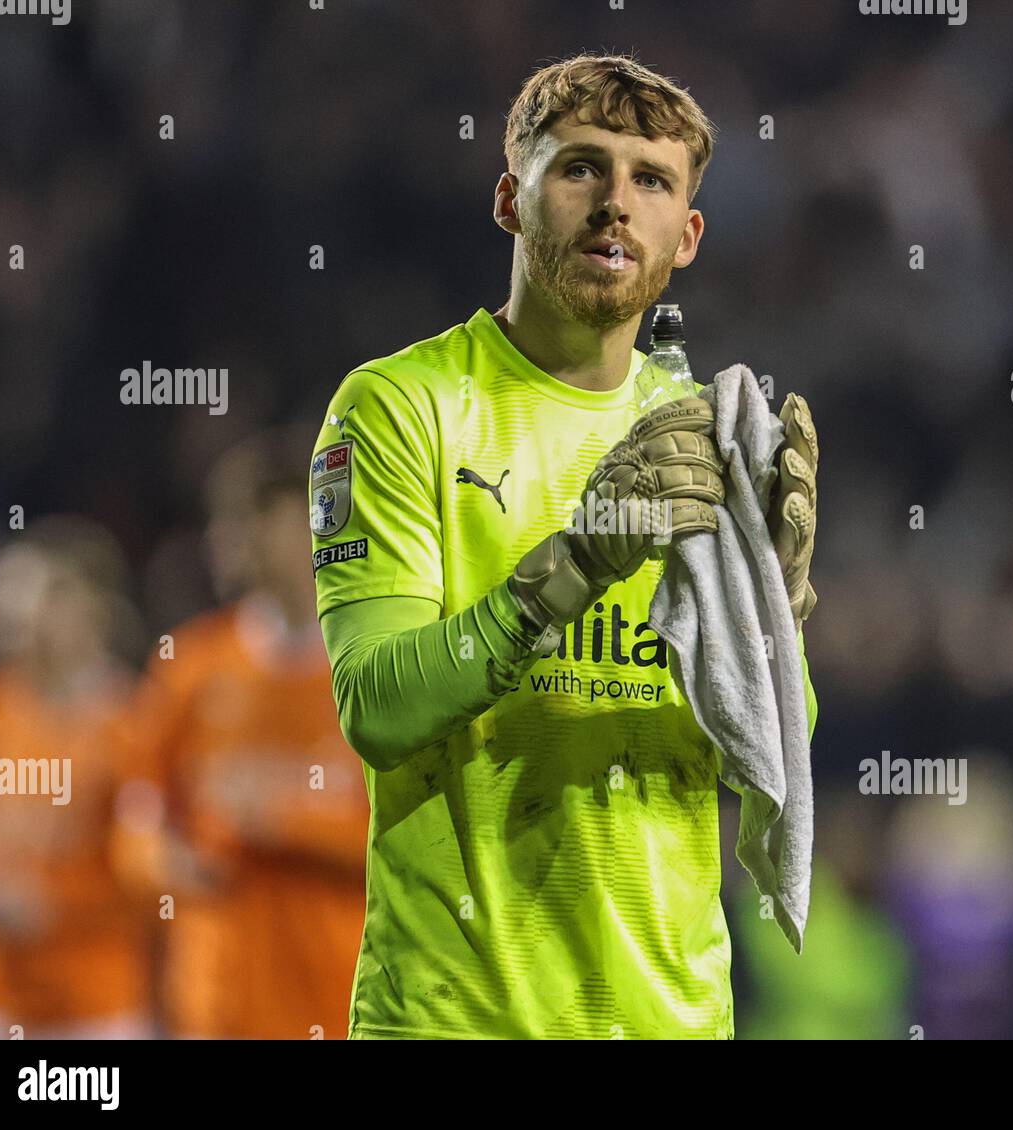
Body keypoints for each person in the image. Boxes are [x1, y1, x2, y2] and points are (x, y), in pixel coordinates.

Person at [310, 52, 820, 1039]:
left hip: (672, 1017)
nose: (615, 204)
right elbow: (377, 705)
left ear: (688, 235)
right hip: (457, 1017)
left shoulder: (705, 437)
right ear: (510, 197)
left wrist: (780, 609)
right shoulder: (402, 407)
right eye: (580, 167)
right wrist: (575, 567)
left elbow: (765, 751)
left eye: (651, 180)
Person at [135, 434, 370, 1038]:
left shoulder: (373, 668)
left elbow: (416, 840)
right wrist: (171, 863)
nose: (239, 540)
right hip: (219, 995)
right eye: (237, 523)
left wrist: (284, 822)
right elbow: (137, 822)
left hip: (337, 991)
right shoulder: (190, 668)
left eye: (264, 520)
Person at [0, 517, 154, 1039]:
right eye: (5, 597)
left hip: (96, 1007)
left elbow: (149, 872)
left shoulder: (134, 725)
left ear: (90, 607)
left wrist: (53, 904)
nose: (13, 614)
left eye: (38, 596)